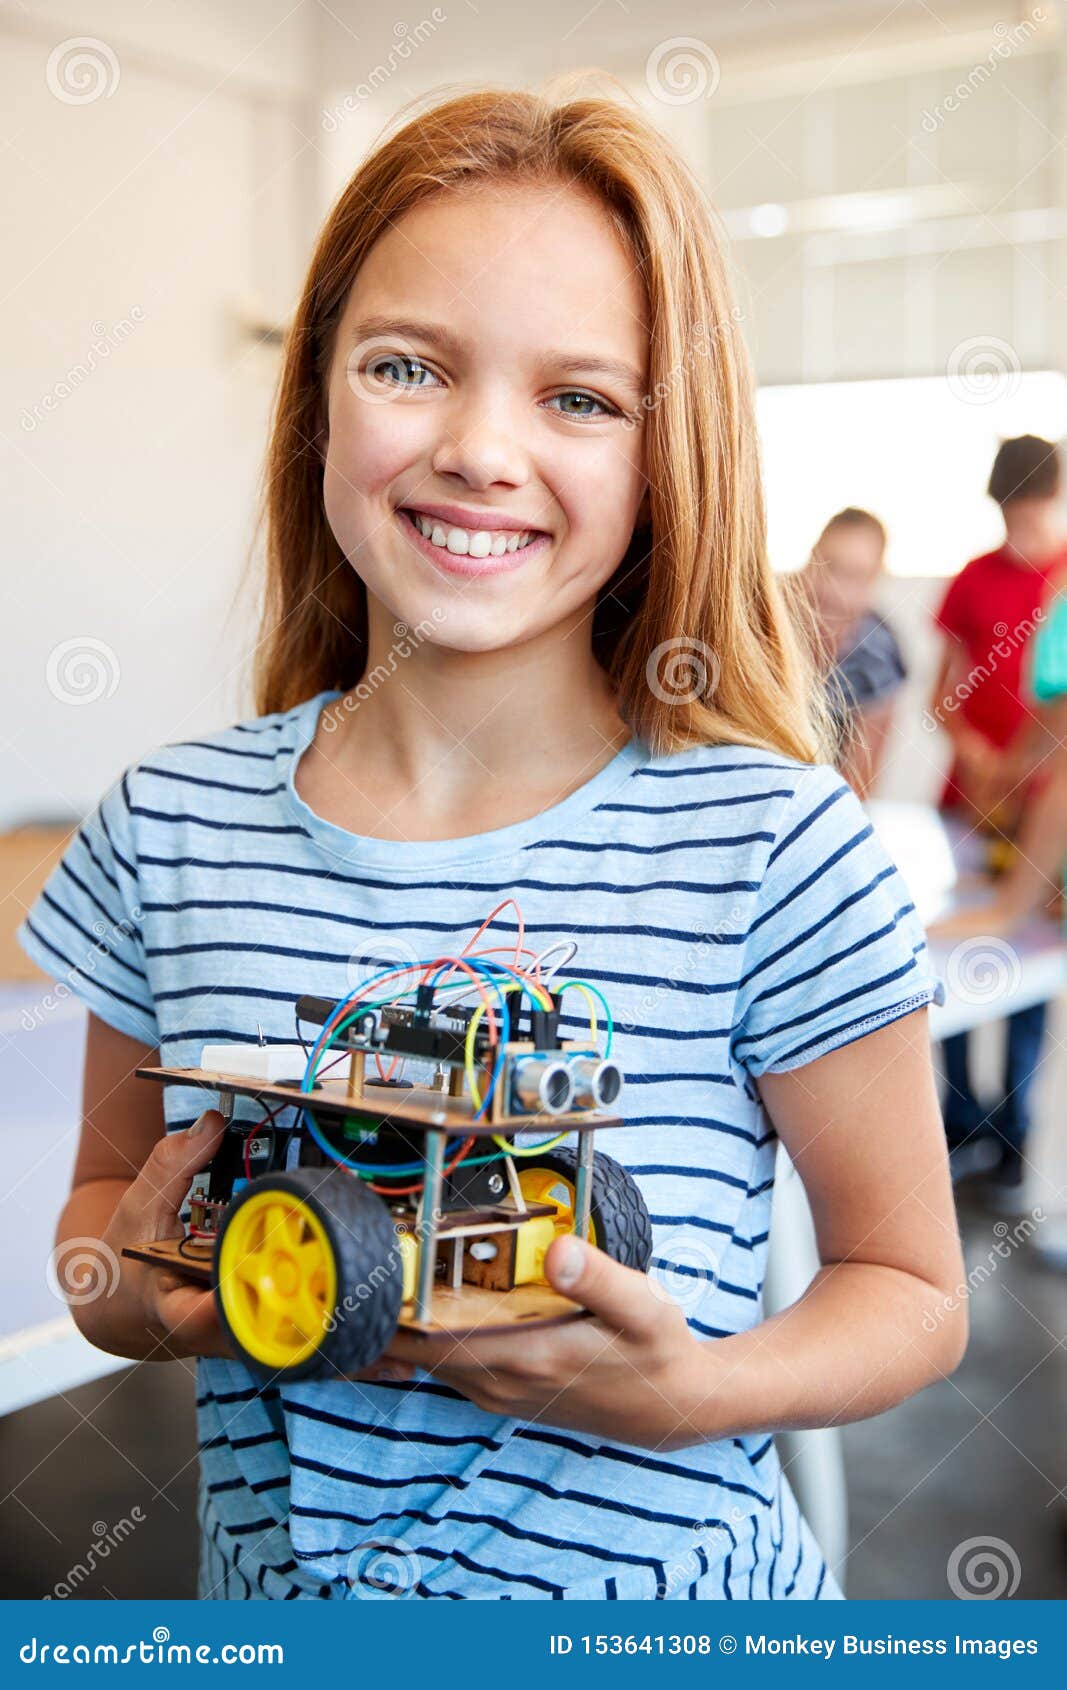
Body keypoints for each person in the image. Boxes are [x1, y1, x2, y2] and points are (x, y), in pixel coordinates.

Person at [18, 84, 965, 1603]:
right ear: (318, 392)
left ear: (667, 453)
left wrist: (689, 1392)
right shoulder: (171, 830)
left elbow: (911, 1290)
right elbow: (98, 1234)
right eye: (407, 366)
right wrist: (152, 1296)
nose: (477, 448)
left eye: (579, 398)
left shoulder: (772, 843)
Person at [927, 435, 1067, 1198]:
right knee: (962, 971)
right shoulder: (976, 580)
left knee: (1024, 968)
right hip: (977, 803)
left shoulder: (1061, 584)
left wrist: (1024, 774)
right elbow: (940, 697)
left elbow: (1050, 723)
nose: (1021, 531)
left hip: (1035, 810)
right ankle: (962, 1127)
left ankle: (1012, 1140)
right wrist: (983, 762)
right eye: (1008, 516)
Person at [797, 507, 906, 798]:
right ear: (809, 561)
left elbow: (859, 785)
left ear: (874, 583)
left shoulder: (880, 656)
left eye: (856, 576)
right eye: (828, 567)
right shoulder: (761, 628)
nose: (834, 593)